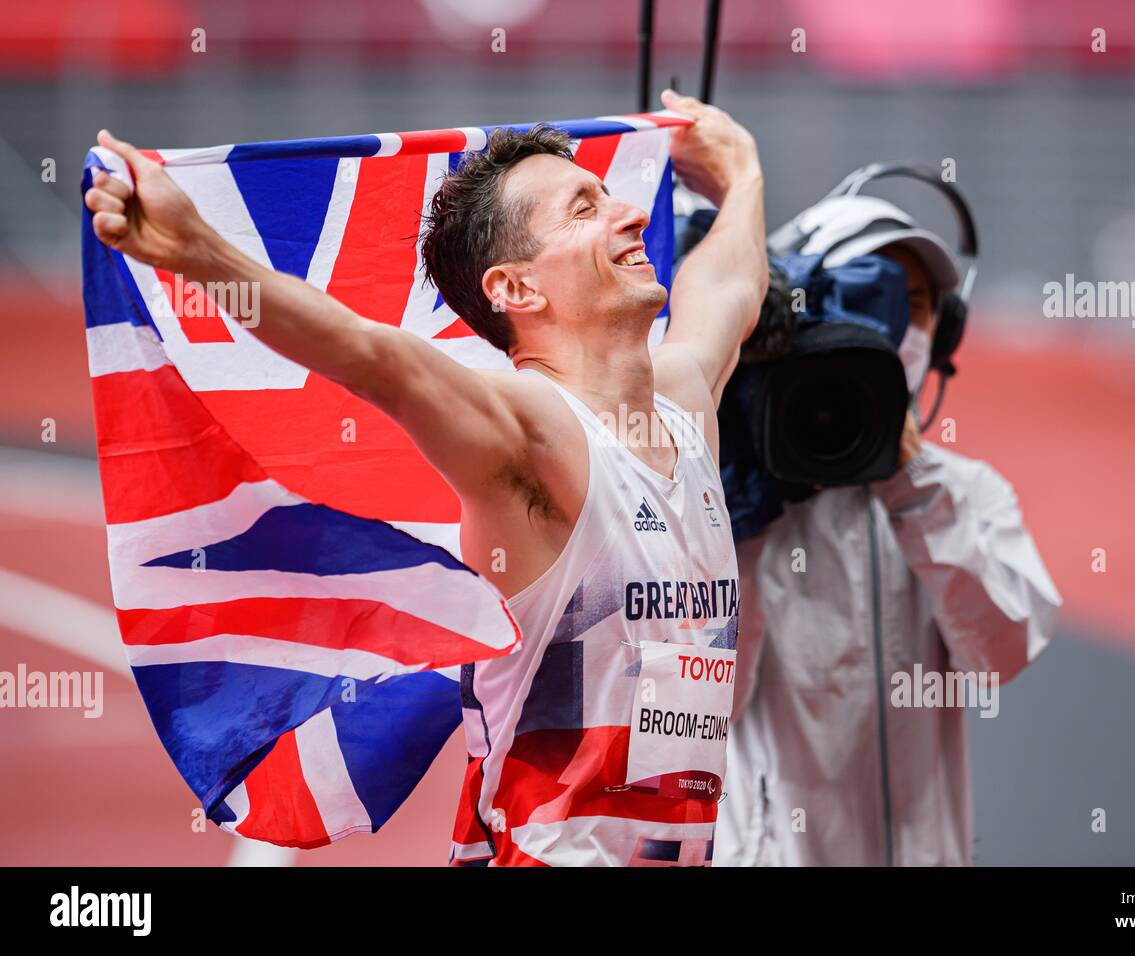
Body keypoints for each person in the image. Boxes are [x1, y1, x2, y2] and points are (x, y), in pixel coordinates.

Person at [84, 88, 768, 867]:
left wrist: (741, 174)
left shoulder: (681, 404)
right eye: (585, 208)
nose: (632, 215)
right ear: (515, 289)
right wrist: (197, 251)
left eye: (612, 197)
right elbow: (375, 358)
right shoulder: (531, 434)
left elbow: (729, 292)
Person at [716, 217, 1062, 866]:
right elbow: (711, 702)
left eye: (918, 305)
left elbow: (1004, 651)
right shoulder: (739, 493)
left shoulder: (965, 490)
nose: (897, 323)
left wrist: (914, 484)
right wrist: (746, 515)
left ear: (944, 335)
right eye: (872, 297)